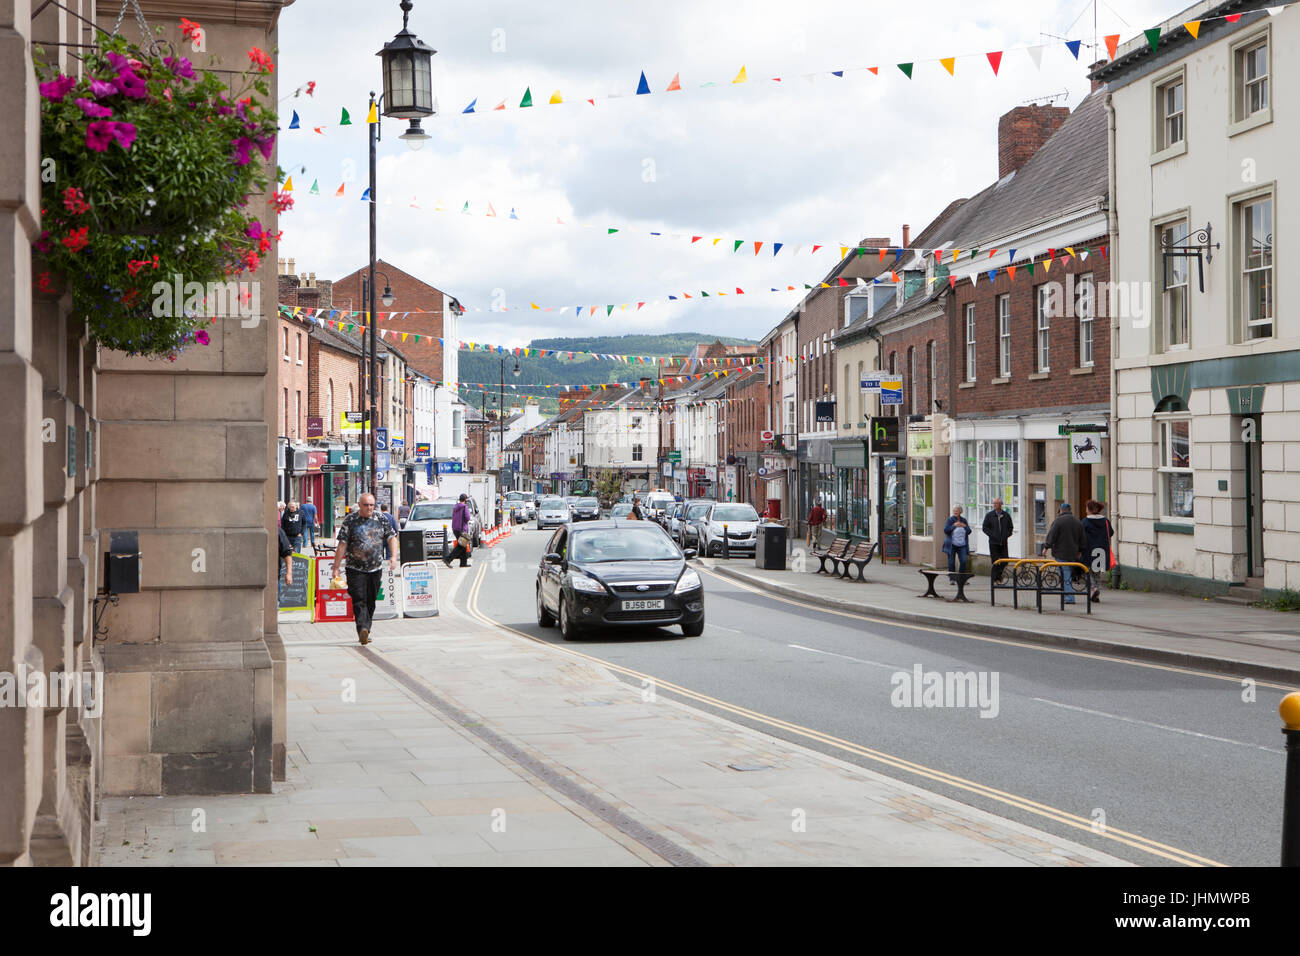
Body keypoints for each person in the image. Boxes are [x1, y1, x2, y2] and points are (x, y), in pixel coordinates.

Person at [330, 493, 398, 645]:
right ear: (359, 505)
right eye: (366, 505)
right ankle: (362, 628)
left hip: (375, 568)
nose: (369, 508)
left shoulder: (381, 519)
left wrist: (393, 556)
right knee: (359, 598)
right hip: (355, 568)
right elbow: (342, 544)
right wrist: (336, 567)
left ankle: (366, 629)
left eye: (372, 505)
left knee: (371, 600)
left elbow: (392, 537)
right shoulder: (350, 520)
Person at [1042, 502, 1087, 605]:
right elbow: (1083, 539)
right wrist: (1080, 551)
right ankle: (1067, 595)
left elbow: (1051, 535)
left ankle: (1069, 597)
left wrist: (1046, 547)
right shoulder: (1077, 521)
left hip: (1060, 552)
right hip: (1073, 553)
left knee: (1065, 574)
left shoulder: (1058, 521)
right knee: (1068, 573)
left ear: (1061, 510)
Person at [1082, 500, 1114, 602]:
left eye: (1087, 508)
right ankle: (1096, 594)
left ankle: (1094, 588)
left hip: (1089, 550)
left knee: (1087, 572)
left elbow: (1080, 535)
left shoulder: (1085, 522)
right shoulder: (1105, 521)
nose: (1086, 510)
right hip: (1102, 550)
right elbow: (1111, 533)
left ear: (1090, 510)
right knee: (1097, 573)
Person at [982, 498, 1014, 583]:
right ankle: (995, 579)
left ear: (1001, 504)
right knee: (995, 561)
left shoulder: (1006, 515)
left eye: (997, 503)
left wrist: (1007, 535)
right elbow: (985, 527)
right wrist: (992, 535)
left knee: (1005, 561)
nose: (995, 505)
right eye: (994, 503)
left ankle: (998, 576)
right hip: (993, 542)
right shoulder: (989, 515)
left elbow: (1010, 527)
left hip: (1003, 542)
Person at [942, 505, 973, 584]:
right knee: (951, 562)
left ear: (960, 512)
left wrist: (964, 526)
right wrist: (954, 525)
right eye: (954, 510)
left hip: (962, 544)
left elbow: (969, 531)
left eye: (957, 510)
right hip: (952, 544)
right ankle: (952, 579)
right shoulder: (950, 520)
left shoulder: (964, 520)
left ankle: (961, 578)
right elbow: (946, 530)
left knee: (963, 561)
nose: (955, 512)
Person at [444, 494, 472, 568]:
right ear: (465, 500)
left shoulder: (455, 507)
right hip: (462, 529)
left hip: (455, 528)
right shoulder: (465, 507)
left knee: (463, 546)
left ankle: (463, 563)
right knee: (461, 546)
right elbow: (467, 517)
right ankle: (448, 559)